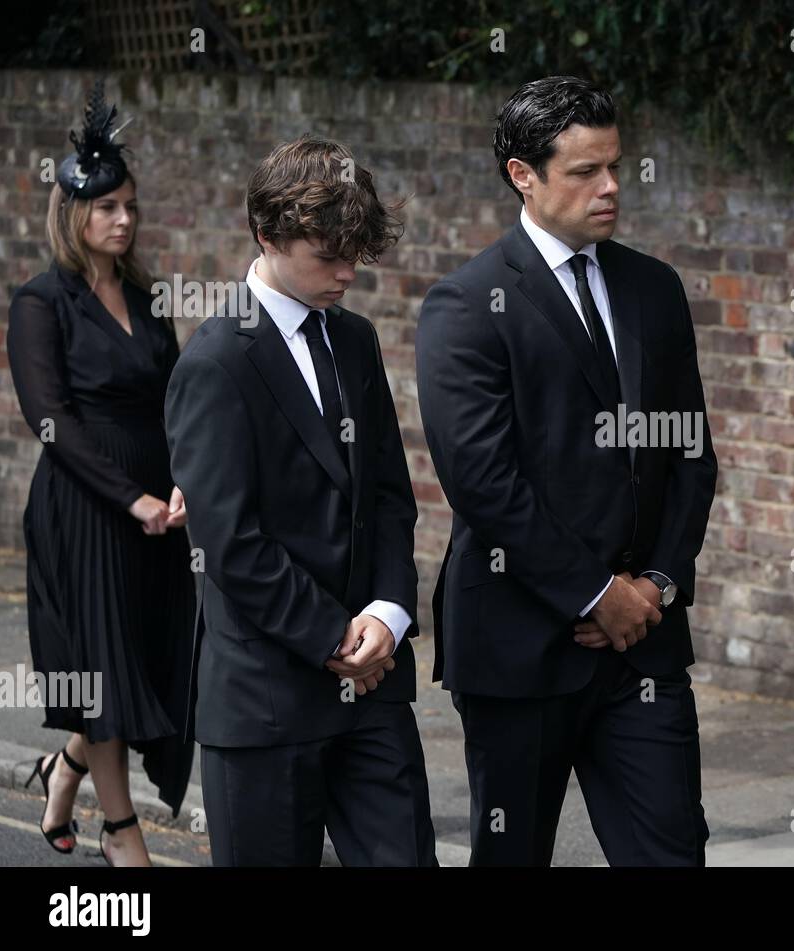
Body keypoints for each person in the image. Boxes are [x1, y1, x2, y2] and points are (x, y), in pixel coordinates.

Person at [417, 75, 718, 866]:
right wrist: (594, 593)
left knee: (673, 856)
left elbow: (690, 452)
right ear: (524, 173)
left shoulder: (654, 288)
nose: (612, 186)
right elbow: (482, 480)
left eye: (614, 165)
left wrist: (655, 583)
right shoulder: (464, 303)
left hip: (644, 646)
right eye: (585, 171)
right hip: (519, 645)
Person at [163, 135, 437, 866]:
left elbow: (387, 494)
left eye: (357, 254)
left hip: (373, 692)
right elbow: (229, 542)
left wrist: (388, 612)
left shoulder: (356, 340)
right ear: (266, 235)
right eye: (328, 256)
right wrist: (330, 641)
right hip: (265, 702)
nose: (348, 274)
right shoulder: (215, 361)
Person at [8, 79, 195, 866]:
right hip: (87, 505)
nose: (123, 220)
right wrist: (134, 500)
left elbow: (179, 395)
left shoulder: (149, 298)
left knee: (147, 661)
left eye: (130, 206)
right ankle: (125, 837)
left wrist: (186, 477)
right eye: (107, 207)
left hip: (161, 502)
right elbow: (51, 422)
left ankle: (65, 768)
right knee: (105, 674)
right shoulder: (40, 304)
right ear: (73, 213)